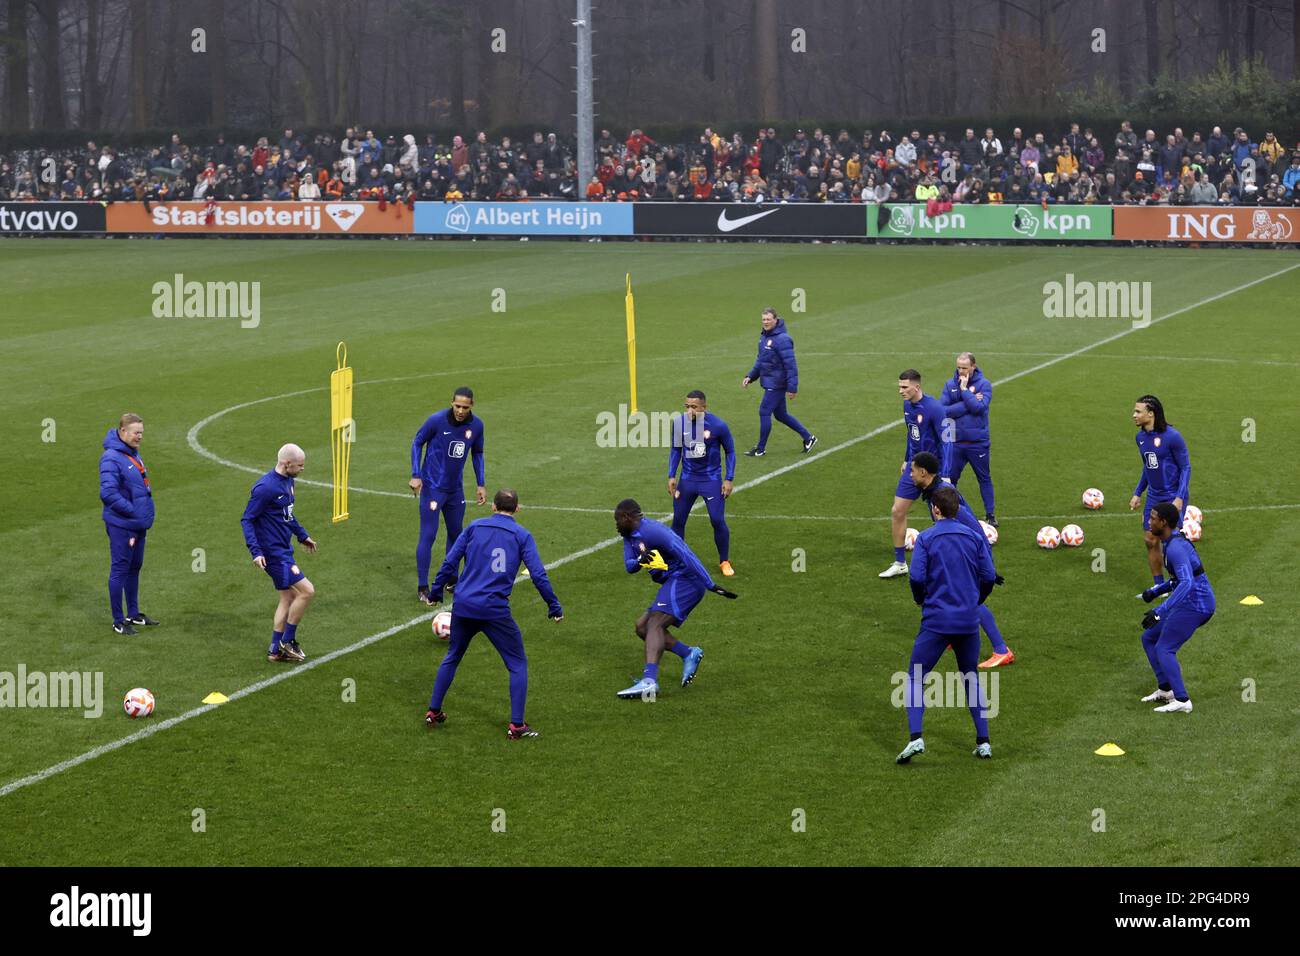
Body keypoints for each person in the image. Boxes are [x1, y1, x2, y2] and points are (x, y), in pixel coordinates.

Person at [425, 489, 563, 739]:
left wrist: (436, 592)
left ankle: (433, 711)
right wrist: (553, 605)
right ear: (517, 509)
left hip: (464, 605)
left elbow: (450, 562)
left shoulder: (475, 527)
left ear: (492, 506)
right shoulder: (522, 535)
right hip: (494, 610)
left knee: (453, 656)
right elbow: (538, 575)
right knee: (517, 663)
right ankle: (517, 726)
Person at [896, 485, 997, 764]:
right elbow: (988, 574)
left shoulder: (927, 539)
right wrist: (977, 599)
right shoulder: (974, 538)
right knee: (970, 677)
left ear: (935, 509)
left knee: (916, 676)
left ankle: (916, 737)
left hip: (937, 620)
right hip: (967, 620)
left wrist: (921, 600)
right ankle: (984, 742)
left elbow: (916, 578)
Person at [613, 498, 736, 700]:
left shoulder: (654, 532)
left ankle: (649, 682)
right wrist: (639, 560)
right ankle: (688, 653)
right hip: (673, 582)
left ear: (627, 517)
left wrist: (710, 584)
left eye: (617, 520)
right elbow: (629, 566)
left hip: (687, 580)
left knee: (654, 625)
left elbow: (686, 554)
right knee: (642, 627)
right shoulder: (628, 535)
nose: (616, 525)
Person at [909, 453, 1013, 668]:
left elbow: (973, 527)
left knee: (971, 600)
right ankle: (951, 637)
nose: (909, 474)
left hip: (971, 554)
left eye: (912, 470)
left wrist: (986, 564)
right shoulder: (935, 492)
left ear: (923, 472)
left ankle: (1001, 649)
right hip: (962, 551)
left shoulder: (941, 495)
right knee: (961, 595)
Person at [241, 444, 318, 663]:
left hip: (284, 549)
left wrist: (302, 536)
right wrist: (255, 552)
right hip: (273, 554)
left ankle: (275, 651)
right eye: (300, 465)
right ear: (286, 464)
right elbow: (247, 519)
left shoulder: (288, 481)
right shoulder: (265, 488)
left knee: (288, 597)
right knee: (307, 591)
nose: (302, 469)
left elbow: (288, 515)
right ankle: (288, 640)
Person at [1136, 502, 1215, 713]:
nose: (1149, 521)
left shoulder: (1176, 548)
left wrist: (1159, 611)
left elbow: (1187, 583)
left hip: (1196, 605)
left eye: (1153, 518)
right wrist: (1153, 592)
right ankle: (1165, 689)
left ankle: (1182, 700)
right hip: (1190, 601)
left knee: (1165, 648)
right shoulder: (1170, 543)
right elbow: (1177, 580)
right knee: (1149, 638)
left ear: (1164, 522)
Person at [410, 387, 486, 603]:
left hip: (455, 490)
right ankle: (423, 586)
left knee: (457, 533)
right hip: (433, 488)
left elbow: (478, 452)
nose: (461, 411)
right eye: (457, 406)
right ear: (452, 403)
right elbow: (417, 441)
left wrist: (481, 483)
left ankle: (451, 579)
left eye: (465, 407)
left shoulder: (477, 425)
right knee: (429, 535)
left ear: (472, 406)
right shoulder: (436, 421)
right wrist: (416, 475)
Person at [880, 369, 951, 579]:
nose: (900, 391)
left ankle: (945, 561)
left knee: (940, 516)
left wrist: (945, 474)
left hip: (932, 471)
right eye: (899, 387)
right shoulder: (907, 406)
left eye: (904, 387)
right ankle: (900, 562)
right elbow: (912, 435)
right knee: (897, 511)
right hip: (913, 467)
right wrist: (906, 459)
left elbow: (946, 441)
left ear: (916, 387)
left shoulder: (935, 408)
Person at [99, 413, 158, 635]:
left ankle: (133, 613)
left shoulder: (131, 453)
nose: (139, 437)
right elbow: (108, 493)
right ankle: (118, 620)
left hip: (137, 524)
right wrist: (134, 511)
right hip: (123, 525)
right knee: (120, 569)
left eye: (141, 433)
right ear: (122, 431)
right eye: (136, 433)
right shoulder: (111, 458)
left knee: (135, 567)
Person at [668, 390, 737, 576]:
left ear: (704, 408)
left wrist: (728, 478)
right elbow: (675, 449)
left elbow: (730, 451)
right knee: (678, 521)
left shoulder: (718, 425)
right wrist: (671, 475)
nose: (690, 410)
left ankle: (724, 561)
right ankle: (678, 560)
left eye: (694, 407)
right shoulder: (679, 423)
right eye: (687, 406)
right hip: (687, 480)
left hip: (711, 480)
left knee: (717, 519)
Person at [1128, 395, 1191, 583]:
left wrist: (1180, 497)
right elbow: (1148, 467)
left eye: (1138, 411)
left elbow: (1186, 467)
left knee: (1172, 543)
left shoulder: (1172, 436)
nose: (1134, 415)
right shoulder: (1140, 438)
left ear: (1151, 413)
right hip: (1154, 496)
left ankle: (1182, 581)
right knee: (1150, 540)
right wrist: (1138, 493)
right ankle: (1159, 586)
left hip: (1172, 495)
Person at [741, 307, 817, 457]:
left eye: (769, 319)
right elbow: (761, 360)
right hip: (770, 382)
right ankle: (809, 438)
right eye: (763, 319)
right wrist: (750, 376)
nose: (766, 322)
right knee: (781, 415)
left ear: (776, 320)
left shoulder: (782, 339)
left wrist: (792, 387)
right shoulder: (763, 337)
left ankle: (760, 449)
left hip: (777, 384)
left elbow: (791, 365)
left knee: (764, 411)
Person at [936, 352, 997, 526]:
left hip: (978, 443)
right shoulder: (950, 385)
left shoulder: (984, 385)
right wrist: (967, 401)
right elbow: (944, 411)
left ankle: (990, 515)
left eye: (964, 367)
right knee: (949, 481)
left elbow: (979, 408)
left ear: (973, 366)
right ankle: (947, 516)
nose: (961, 371)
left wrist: (963, 391)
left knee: (984, 478)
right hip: (955, 443)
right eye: (959, 367)